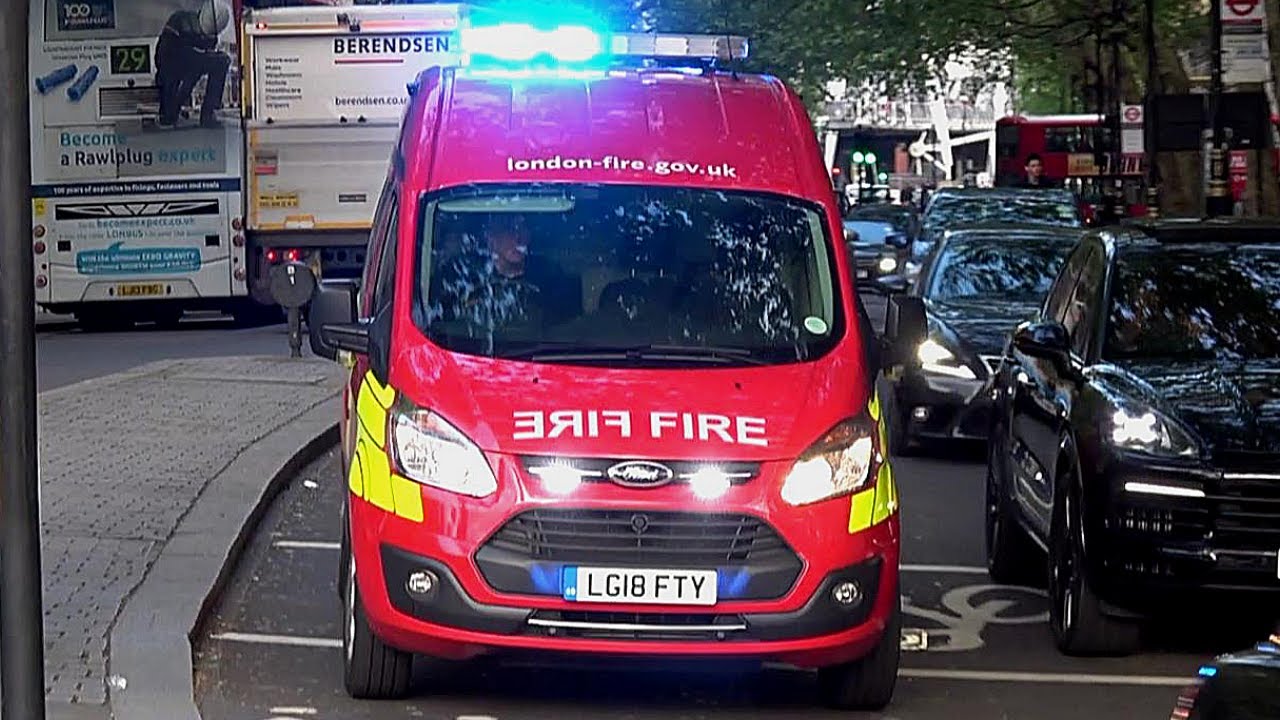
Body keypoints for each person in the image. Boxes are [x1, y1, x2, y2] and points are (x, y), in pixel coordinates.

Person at [155, 0, 232, 128]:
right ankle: (170, 110)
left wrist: (200, 60)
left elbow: (205, 55)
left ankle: (209, 111)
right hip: (172, 64)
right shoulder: (178, 21)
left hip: (194, 63)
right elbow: (163, 55)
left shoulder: (211, 36)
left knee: (222, 61)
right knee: (168, 116)